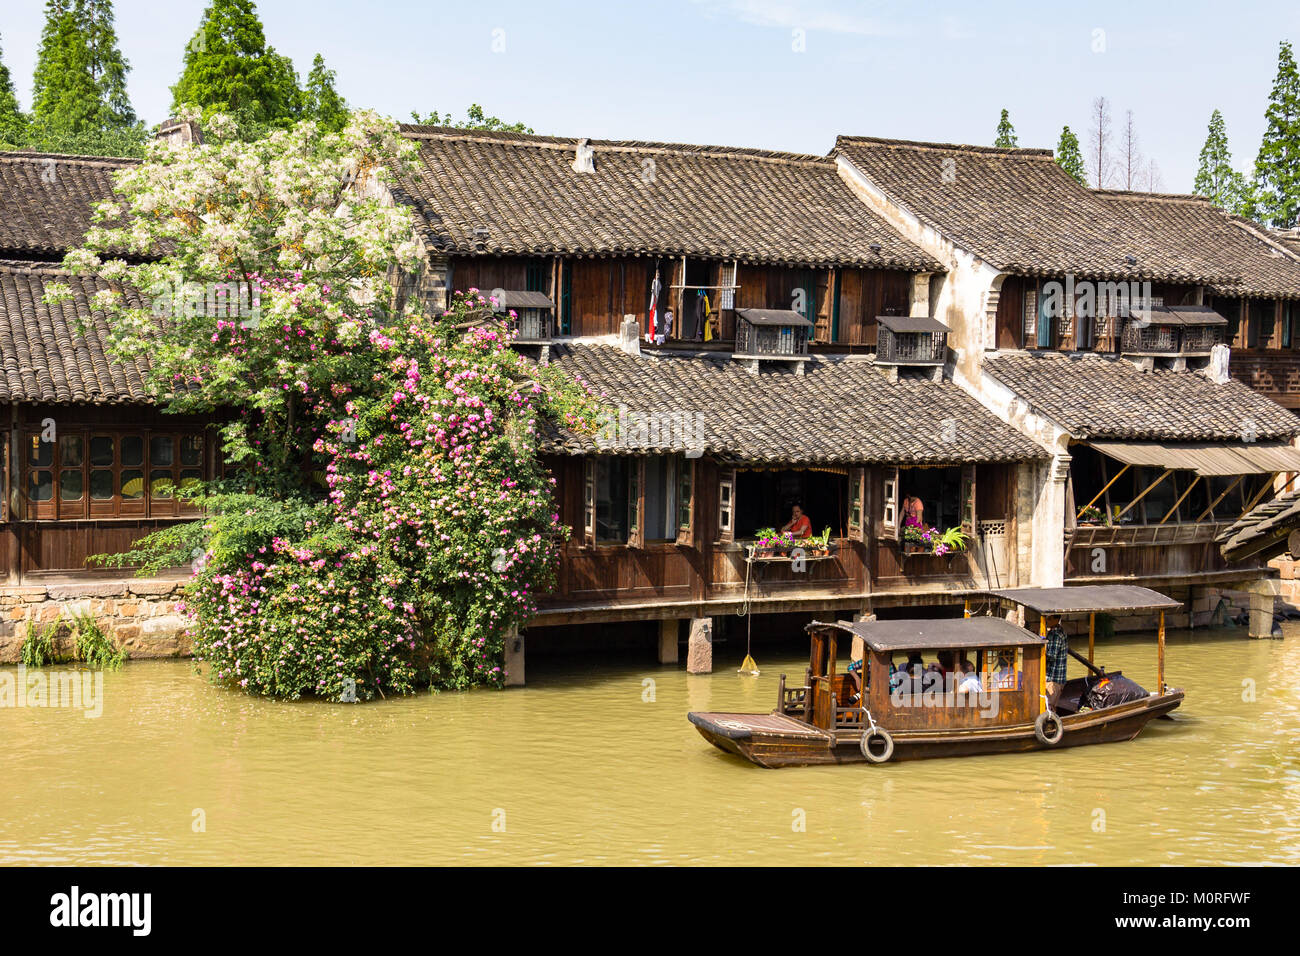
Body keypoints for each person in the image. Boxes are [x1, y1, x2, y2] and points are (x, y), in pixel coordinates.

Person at [1043, 614, 1069, 709]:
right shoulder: (1055, 632)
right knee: (1050, 707)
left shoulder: (1056, 635)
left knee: (1048, 708)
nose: (1047, 620)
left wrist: (1039, 653)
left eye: (1049, 618)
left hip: (1053, 678)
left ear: (1057, 619)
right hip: (1054, 677)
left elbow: (1051, 656)